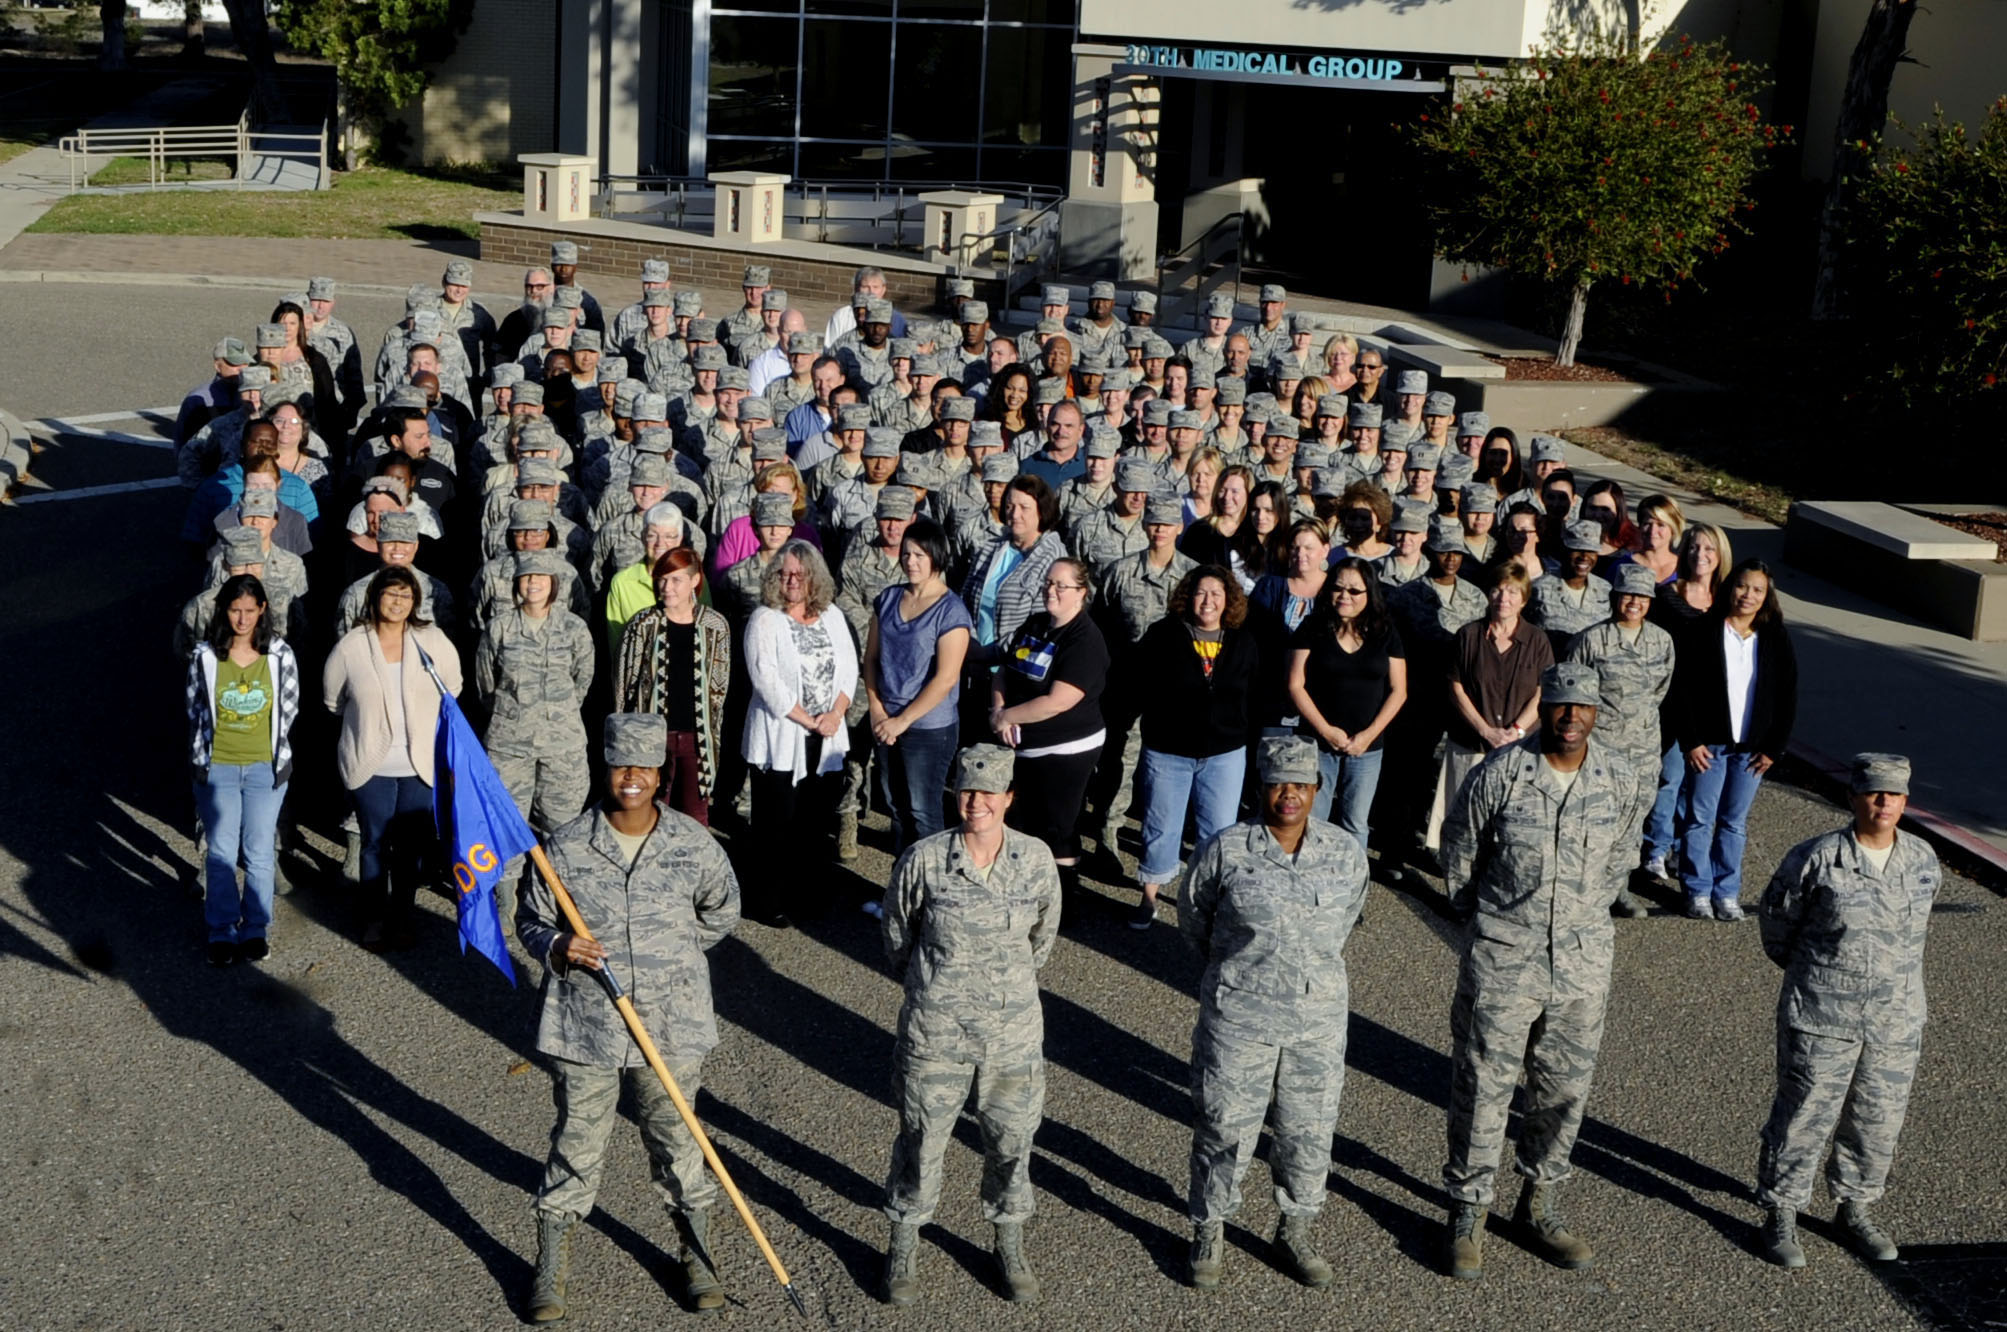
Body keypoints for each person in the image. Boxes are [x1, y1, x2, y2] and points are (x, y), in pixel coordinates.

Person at [516, 714, 742, 1322]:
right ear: (605, 768)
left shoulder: (693, 843)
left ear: (662, 774)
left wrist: (671, 952)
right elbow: (530, 922)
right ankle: (552, 1263)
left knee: (678, 1140)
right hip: (586, 1023)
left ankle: (697, 1255)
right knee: (577, 1143)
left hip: (671, 1023)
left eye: (645, 766)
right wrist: (559, 948)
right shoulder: (564, 845)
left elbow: (723, 911)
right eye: (621, 765)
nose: (633, 778)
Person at [1439, 663, 1646, 1280]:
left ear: (1596, 714)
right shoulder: (1502, 773)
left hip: (1581, 965)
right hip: (1506, 957)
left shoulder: (1619, 778)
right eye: (1560, 705)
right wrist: (1493, 923)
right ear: (1545, 706)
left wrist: (1581, 919)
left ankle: (1539, 1202)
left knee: (1562, 1089)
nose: (1571, 717)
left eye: (1583, 707)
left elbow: (1622, 859)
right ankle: (1467, 1211)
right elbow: (1460, 853)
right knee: (1483, 1087)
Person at [1179, 735, 1369, 1291]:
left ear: (1317, 788)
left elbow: (1347, 920)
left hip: (1316, 1020)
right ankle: (1210, 1227)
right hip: (1240, 1016)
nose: (1289, 794)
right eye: (1278, 783)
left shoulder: (1344, 852)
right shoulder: (1226, 849)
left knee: (1308, 1131)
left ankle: (1296, 1226)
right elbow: (1195, 920)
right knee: (1223, 1124)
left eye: (1301, 784)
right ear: (1260, 787)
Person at [878, 744, 1061, 1307]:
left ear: (1008, 798)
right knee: (922, 1142)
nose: (975, 802)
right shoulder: (925, 859)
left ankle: (1009, 1239)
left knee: (1011, 1145)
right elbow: (896, 938)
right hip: (936, 1036)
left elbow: (1042, 940)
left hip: (1011, 1040)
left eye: (987, 793)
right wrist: (938, 990)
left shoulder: (1034, 860)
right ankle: (905, 1239)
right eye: (965, 791)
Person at [1754, 753, 1938, 1270]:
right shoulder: (1816, 857)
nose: (1884, 803)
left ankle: (1854, 1208)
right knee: (1803, 1118)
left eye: (1895, 794)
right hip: (1822, 1016)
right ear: (1854, 797)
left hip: (1895, 1020)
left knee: (1877, 1121)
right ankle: (1781, 1212)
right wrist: (1817, 977)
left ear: (1906, 801)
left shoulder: (1922, 860)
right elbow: (1776, 926)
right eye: (1875, 793)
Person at [322, 566, 462, 950]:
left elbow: (453, 687)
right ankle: (371, 918)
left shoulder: (431, 639)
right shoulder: (352, 645)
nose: (397, 602)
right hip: (372, 764)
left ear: (414, 601)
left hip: (419, 765)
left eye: (405, 595)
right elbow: (332, 699)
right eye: (390, 594)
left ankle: (402, 917)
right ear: (376, 597)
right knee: (374, 844)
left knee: (412, 847)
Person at [1132, 566, 1261, 929]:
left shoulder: (1242, 641)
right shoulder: (1163, 635)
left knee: (1218, 833)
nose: (1208, 601)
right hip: (1168, 750)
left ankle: (1209, 902)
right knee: (1161, 827)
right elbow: (1139, 683)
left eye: (1217, 594)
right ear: (1188, 597)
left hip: (1224, 753)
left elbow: (1254, 693)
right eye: (1201, 593)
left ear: (1229, 600)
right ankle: (1149, 898)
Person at [1670, 560, 1797, 920]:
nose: (1748, 595)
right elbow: (1683, 690)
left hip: (1752, 749)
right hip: (1708, 745)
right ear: (1730, 588)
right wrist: (1691, 740)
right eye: (1743, 586)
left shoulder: (1774, 636)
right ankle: (1696, 891)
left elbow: (1788, 695)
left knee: (1733, 821)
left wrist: (1775, 747)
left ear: (1766, 596)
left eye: (1757, 589)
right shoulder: (1703, 630)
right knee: (1699, 818)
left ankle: (1726, 893)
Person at [474, 549, 596, 925]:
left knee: (561, 823)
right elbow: (485, 683)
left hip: (562, 744)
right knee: (506, 819)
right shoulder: (500, 627)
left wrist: (555, 714)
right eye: (526, 579)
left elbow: (583, 679)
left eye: (541, 579)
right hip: (509, 743)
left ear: (554, 585)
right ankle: (505, 895)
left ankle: (553, 895)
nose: (533, 584)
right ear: (516, 585)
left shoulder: (574, 628)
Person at [185, 574, 300, 967]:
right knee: (219, 850)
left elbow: (290, 707)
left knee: (259, 851)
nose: (242, 619)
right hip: (217, 768)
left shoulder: (281, 655)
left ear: (262, 610)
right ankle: (221, 929)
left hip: (264, 770)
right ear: (224, 610)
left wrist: (276, 756)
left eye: (250, 610)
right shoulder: (204, 655)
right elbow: (194, 708)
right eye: (235, 610)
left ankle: (255, 928)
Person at [742, 541, 857, 927]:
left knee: (813, 822)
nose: (792, 581)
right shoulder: (764, 619)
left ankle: (808, 897)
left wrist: (835, 714)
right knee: (775, 825)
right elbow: (766, 680)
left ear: (815, 579)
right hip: (781, 738)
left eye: (800, 574)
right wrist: (810, 720)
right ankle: (768, 901)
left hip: (826, 737)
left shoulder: (833, 616)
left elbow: (849, 670)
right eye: (784, 573)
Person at [1563, 563, 1677, 917]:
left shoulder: (1661, 641)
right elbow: (1572, 694)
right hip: (1601, 749)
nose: (1633, 602)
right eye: (1627, 594)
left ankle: (1619, 889)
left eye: (1641, 597)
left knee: (1631, 824)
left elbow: (1661, 690)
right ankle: (1584, 890)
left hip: (1643, 750)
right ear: (1615, 597)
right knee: (1594, 823)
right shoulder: (1592, 640)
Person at [991, 557, 1109, 895]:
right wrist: (998, 709)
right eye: (1047, 583)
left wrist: (1007, 717)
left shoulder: (1085, 641)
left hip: (1066, 750)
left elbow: (1058, 701)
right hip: (1021, 746)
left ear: (1081, 593)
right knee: (1021, 823)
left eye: (1061, 585)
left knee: (1058, 827)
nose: (1051, 590)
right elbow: (1005, 671)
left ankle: (1064, 898)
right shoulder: (1035, 623)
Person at [1429, 560, 1555, 855]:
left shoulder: (1537, 641)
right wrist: (1485, 730)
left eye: (1512, 592)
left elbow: (1542, 691)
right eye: (1498, 590)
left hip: (1519, 749)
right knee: (1461, 825)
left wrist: (1516, 731)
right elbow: (1456, 686)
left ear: (1523, 600)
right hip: (1470, 744)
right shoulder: (1468, 635)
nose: (1504, 598)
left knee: (1507, 830)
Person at [865, 519, 973, 854]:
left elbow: (946, 678)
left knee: (923, 812)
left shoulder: (950, 611)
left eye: (920, 555)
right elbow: (870, 660)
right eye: (907, 553)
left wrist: (903, 720)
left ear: (936, 558)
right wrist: (876, 709)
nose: (910, 561)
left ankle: (931, 896)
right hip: (886, 722)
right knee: (896, 809)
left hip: (928, 728)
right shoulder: (888, 599)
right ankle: (901, 890)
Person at [1290, 556, 1408, 852]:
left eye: (1355, 591)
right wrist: (1326, 731)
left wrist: (1367, 736)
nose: (1345, 597)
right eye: (1338, 588)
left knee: (1355, 821)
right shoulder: (1312, 627)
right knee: (1313, 819)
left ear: (1369, 593)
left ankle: (1352, 888)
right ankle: (1311, 884)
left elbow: (1399, 690)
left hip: (1367, 748)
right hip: (1318, 742)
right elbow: (1295, 683)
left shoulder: (1386, 632)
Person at [615, 548, 734, 825]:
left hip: (698, 739)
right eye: (662, 580)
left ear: (694, 581)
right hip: (651, 739)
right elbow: (625, 686)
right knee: (649, 814)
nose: (667, 588)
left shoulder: (716, 626)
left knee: (695, 817)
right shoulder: (642, 624)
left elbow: (720, 690)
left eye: (676, 580)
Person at [1642, 520, 1733, 879]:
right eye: (1694, 547)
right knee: (1668, 776)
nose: (1701, 555)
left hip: (1711, 708)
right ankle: (1655, 847)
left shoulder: (1727, 602)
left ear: (1721, 555)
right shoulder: (1666, 596)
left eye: (1709, 548)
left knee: (1696, 785)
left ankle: (1682, 848)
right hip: (1670, 702)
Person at [960, 475, 1068, 675]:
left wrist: (989, 655)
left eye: (1024, 507)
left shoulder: (1052, 559)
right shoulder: (989, 549)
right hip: (973, 663)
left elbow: (1041, 624)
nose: (1015, 514)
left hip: (1016, 671)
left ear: (1041, 510)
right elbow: (964, 600)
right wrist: (970, 644)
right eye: (1009, 506)